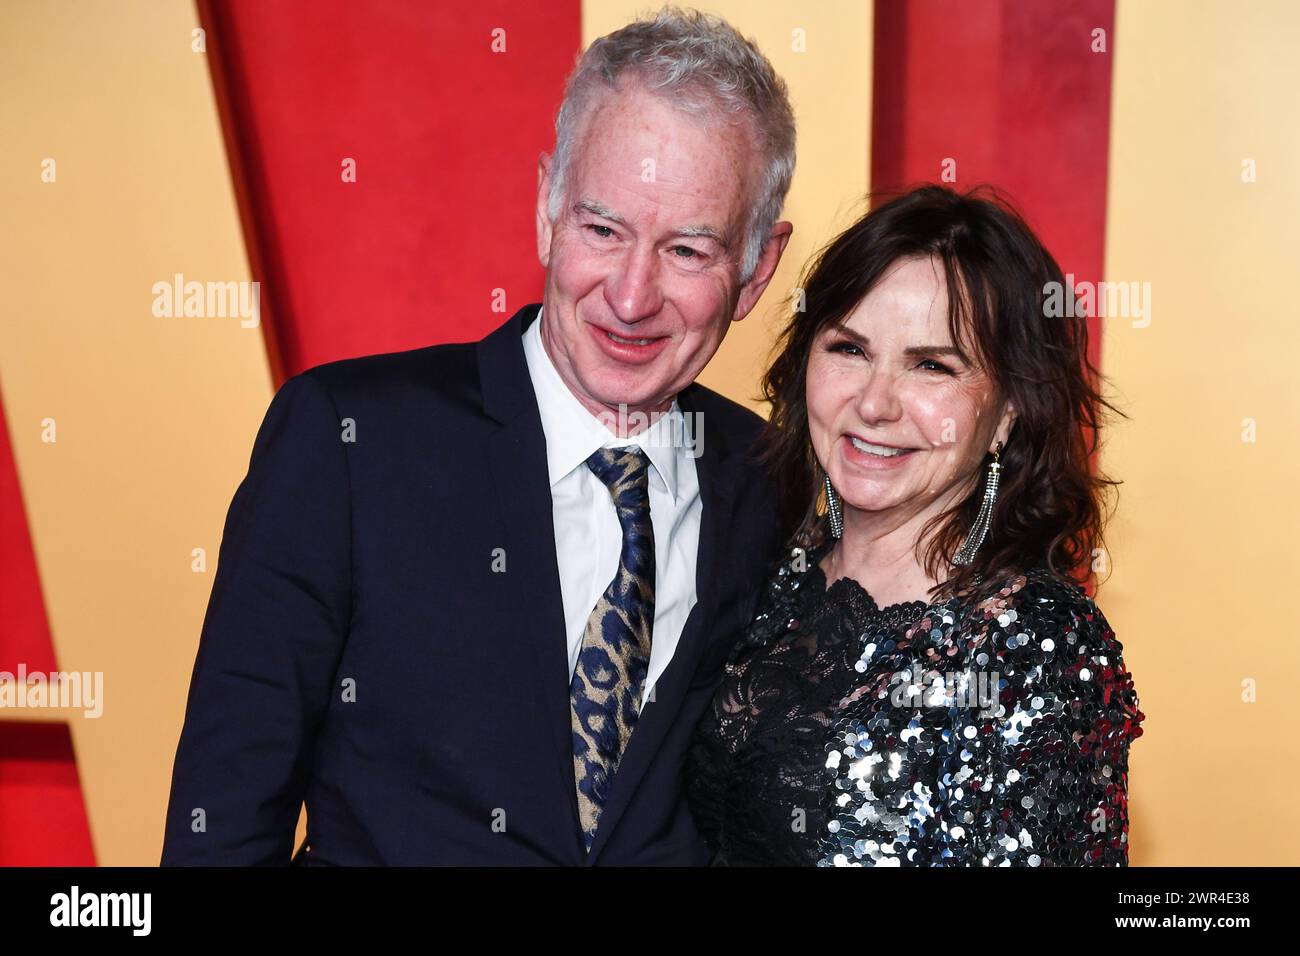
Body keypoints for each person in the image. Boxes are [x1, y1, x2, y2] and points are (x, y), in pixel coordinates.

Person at [161, 7, 794, 865]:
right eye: (602, 230)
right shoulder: (347, 444)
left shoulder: (775, 484)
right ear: (546, 208)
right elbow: (224, 818)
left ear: (757, 268)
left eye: (687, 251)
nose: (631, 296)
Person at [686, 185, 1144, 866]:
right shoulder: (769, 566)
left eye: (932, 365)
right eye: (849, 349)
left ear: (1010, 410)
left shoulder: (1033, 649)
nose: (874, 403)